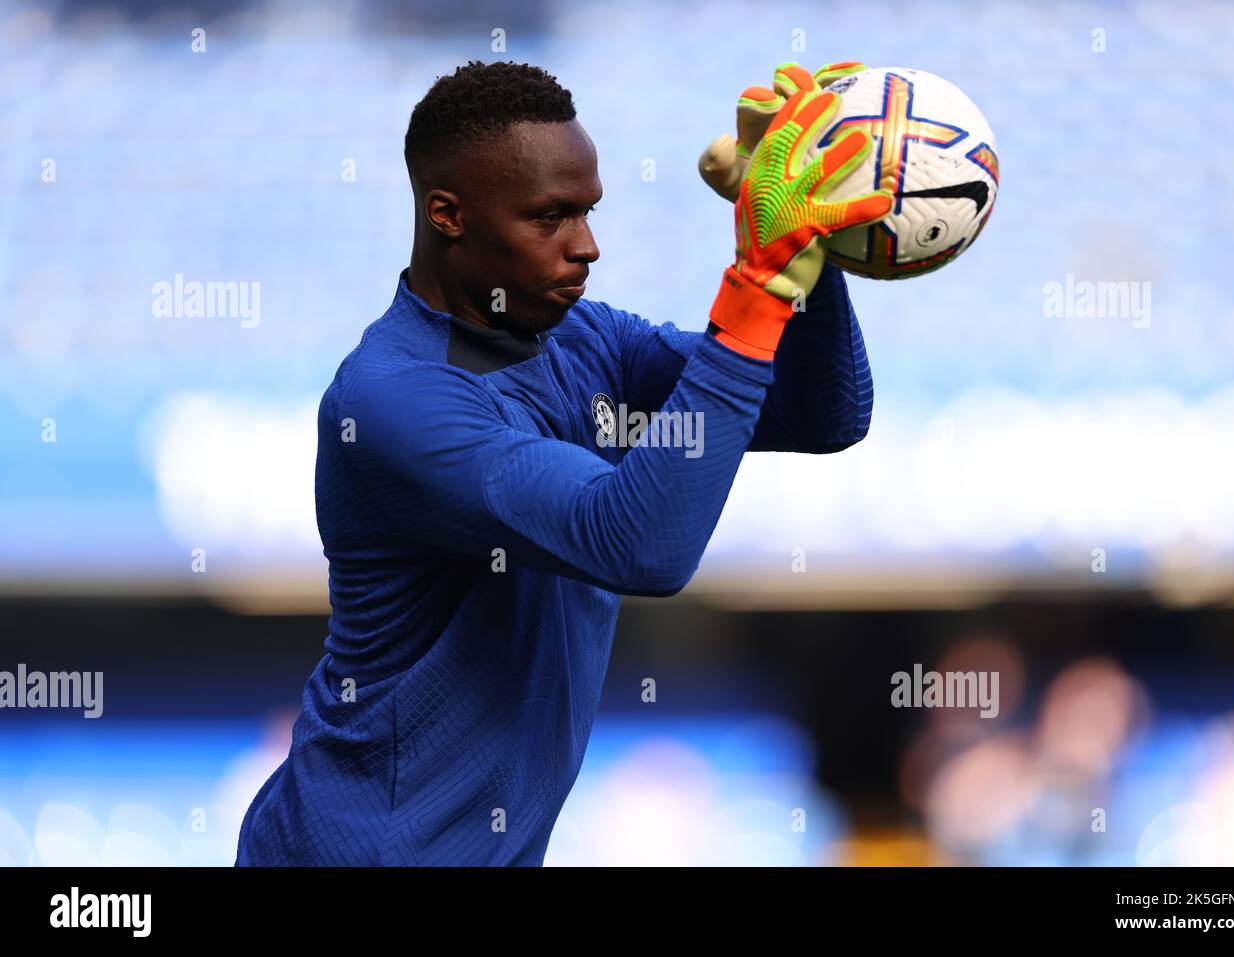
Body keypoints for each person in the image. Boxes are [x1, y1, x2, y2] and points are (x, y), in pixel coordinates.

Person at [235, 59, 890, 865]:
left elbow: (819, 411)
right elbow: (640, 545)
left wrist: (806, 251)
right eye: (549, 217)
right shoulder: (392, 401)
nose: (586, 245)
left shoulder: (585, 339)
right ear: (448, 216)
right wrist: (756, 283)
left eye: (586, 211)